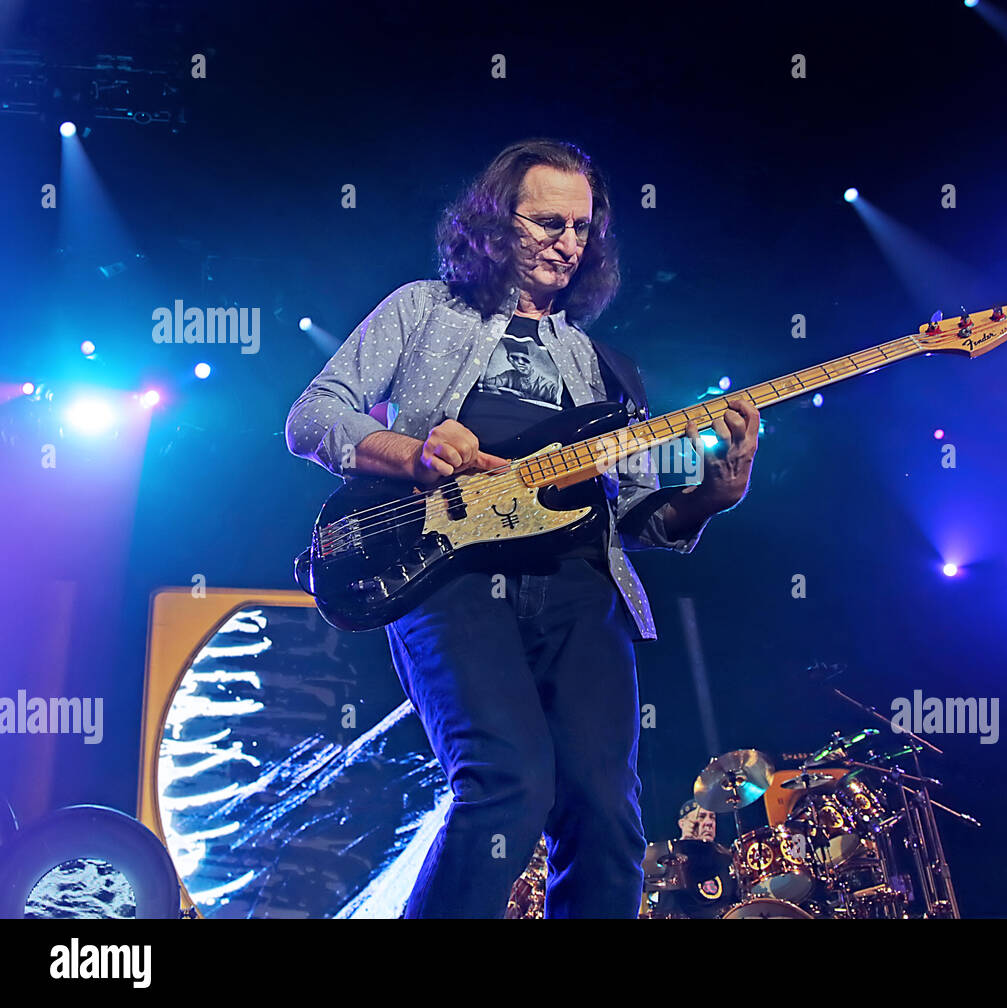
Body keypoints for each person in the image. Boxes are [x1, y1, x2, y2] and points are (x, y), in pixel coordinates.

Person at [286, 138, 760, 918]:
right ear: (493, 225)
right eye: (547, 223)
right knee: (506, 785)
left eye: (580, 228)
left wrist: (711, 497)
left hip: (579, 586)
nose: (566, 244)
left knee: (607, 815)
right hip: (447, 571)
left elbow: (638, 512)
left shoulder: (607, 370)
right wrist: (416, 451)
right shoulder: (423, 309)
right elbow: (313, 416)